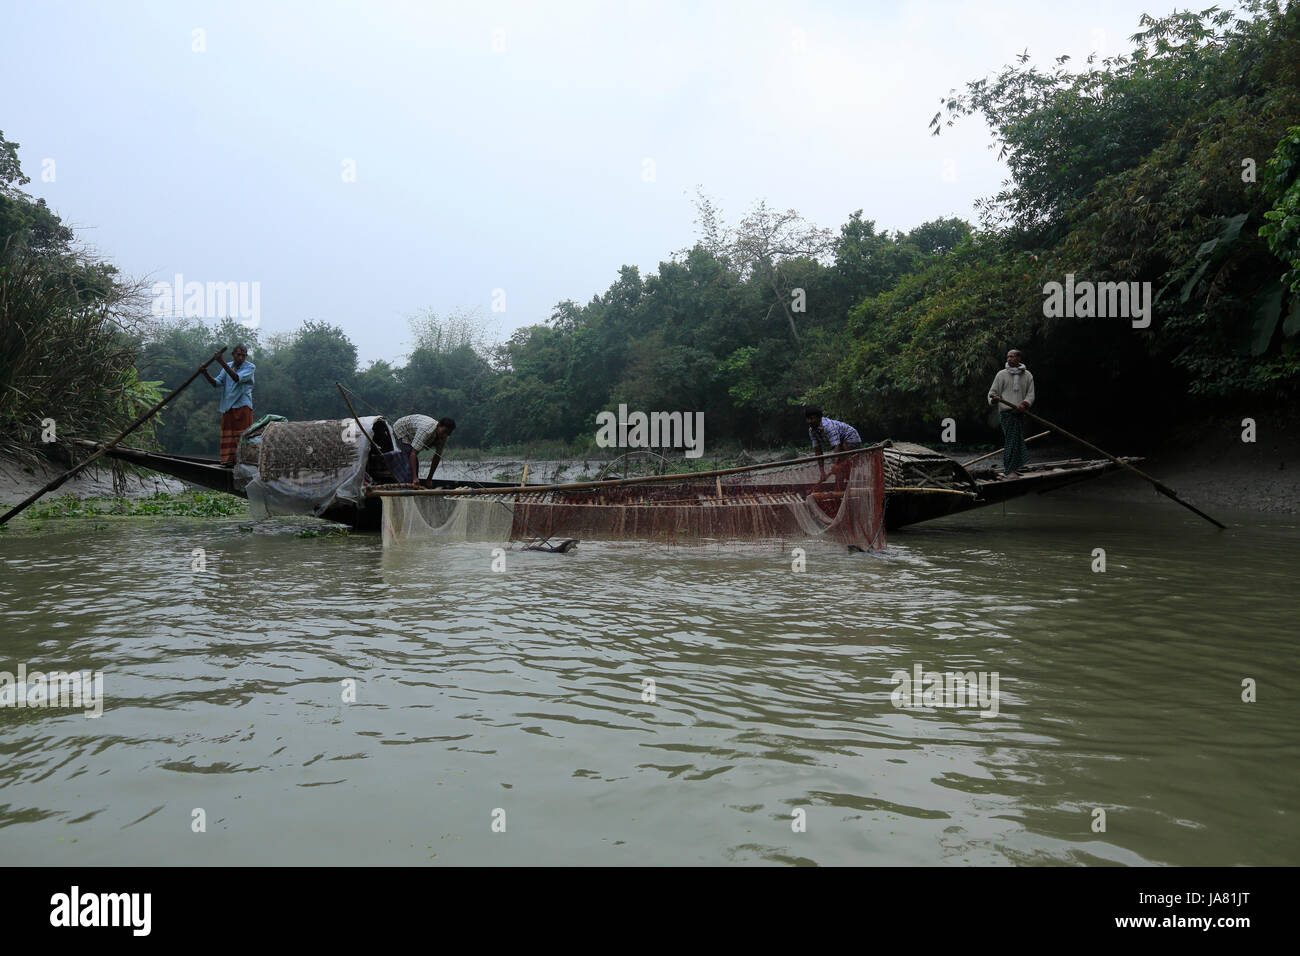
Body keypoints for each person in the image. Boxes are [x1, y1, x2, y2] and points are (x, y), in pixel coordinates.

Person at [201, 344, 255, 466]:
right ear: (233, 355)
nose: (241, 358)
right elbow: (216, 383)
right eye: (238, 355)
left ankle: (242, 461)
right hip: (228, 406)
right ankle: (228, 461)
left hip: (243, 406)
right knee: (229, 434)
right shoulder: (228, 366)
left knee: (242, 435)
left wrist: (221, 362)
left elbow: (236, 378)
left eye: (243, 355)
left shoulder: (250, 367)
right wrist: (205, 373)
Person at [987, 348, 1035, 478]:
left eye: (1012, 356)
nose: (1009, 359)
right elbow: (992, 393)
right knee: (1011, 441)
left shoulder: (1028, 375)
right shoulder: (1001, 374)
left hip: (1019, 413)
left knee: (1018, 440)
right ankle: (1010, 470)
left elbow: (1030, 395)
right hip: (1007, 414)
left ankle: (1014, 467)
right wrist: (994, 398)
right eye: (1008, 356)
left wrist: (1024, 404)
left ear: (1019, 358)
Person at [804, 406, 862, 492]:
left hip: (851, 438)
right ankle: (851, 483)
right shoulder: (811, 431)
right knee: (841, 467)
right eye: (808, 419)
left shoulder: (828, 427)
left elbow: (836, 446)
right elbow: (818, 451)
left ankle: (839, 490)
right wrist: (822, 472)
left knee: (840, 465)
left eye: (812, 418)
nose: (809, 421)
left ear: (819, 418)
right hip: (841, 443)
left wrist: (835, 464)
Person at [390, 414, 456, 483]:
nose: (445, 435)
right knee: (409, 455)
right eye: (444, 432)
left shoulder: (444, 437)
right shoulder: (426, 431)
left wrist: (429, 478)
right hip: (402, 429)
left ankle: (414, 481)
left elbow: (437, 457)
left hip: (413, 432)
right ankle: (409, 481)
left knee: (412, 460)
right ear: (438, 425)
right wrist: (415, 478)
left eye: (448, 433)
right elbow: (413, 453)